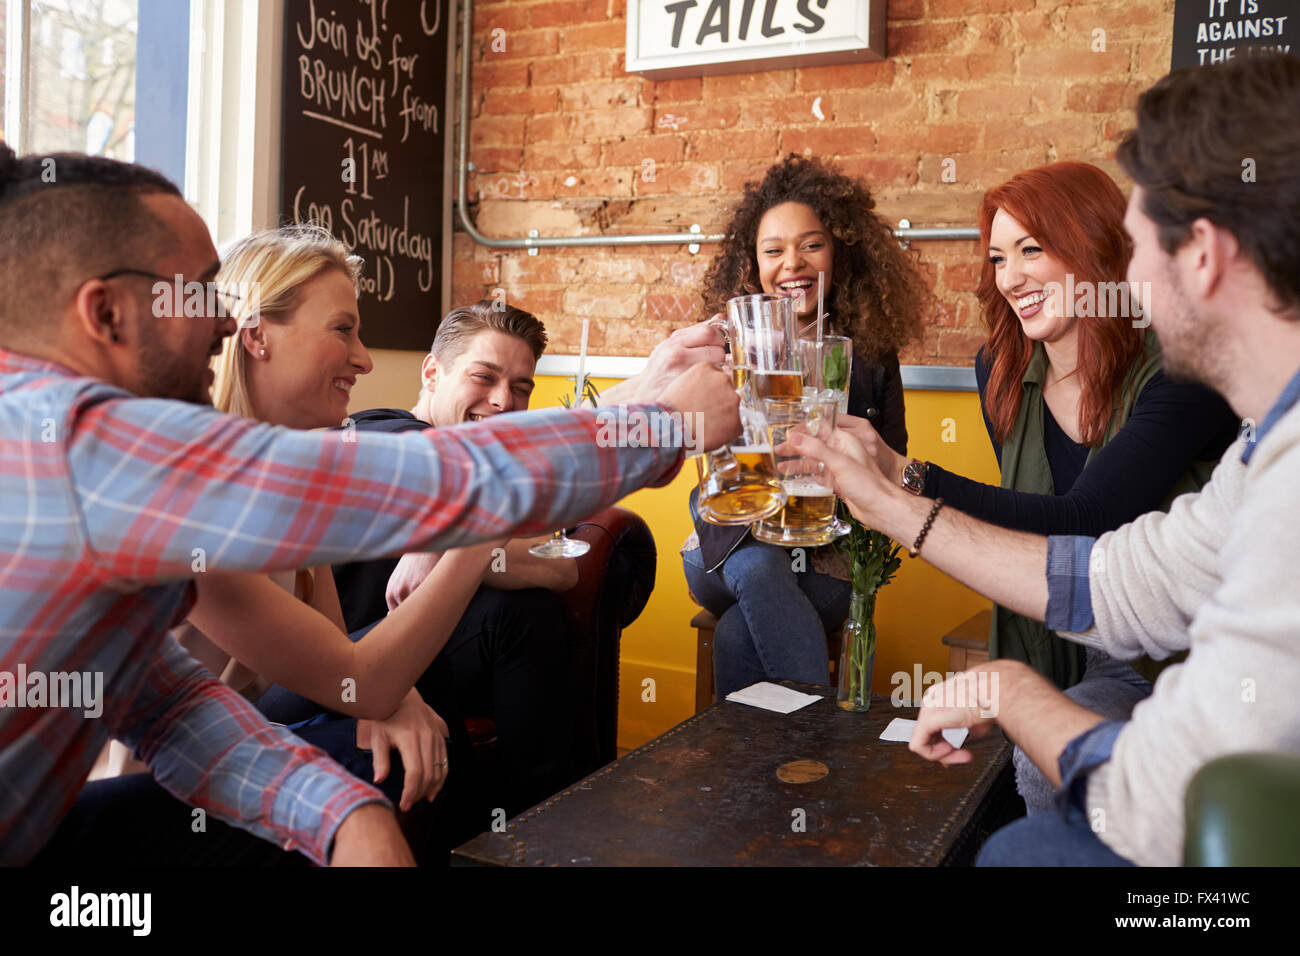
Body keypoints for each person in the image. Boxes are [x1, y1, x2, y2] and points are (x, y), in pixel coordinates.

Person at [0, 147, 738, 865]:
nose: (225, 323)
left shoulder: (79, 462)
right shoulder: (78, 443)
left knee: (358, 779)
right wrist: (659, 421)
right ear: (107, 314)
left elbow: (170, 707)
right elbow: (428, 480)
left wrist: (342, 815)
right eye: (196, 292)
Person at [793, 53, 1300, 866]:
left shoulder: (1238, 433)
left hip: (1164, 701)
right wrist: (889, 495)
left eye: (1137, 250)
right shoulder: (1263, 448)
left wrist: (1020, 695)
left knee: (1021, 851)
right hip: (1104, 659)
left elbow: (1168, 801)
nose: (1128, 281)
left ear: (1200, 255)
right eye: (1000, 257)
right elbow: (1126, 576)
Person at [841, 162, 1238, 812]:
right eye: (999, 257)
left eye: (1032, 249)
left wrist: (906, 479)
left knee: (1040, 765)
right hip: (1052, 629)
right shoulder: (999, 369)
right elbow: (1020, 524)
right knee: (965, 785)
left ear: (1095, 248)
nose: (1011, 276)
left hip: (1169, 652)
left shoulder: (1179, 366)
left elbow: (1086, 516)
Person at [681, 154, 929, 697]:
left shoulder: (869, 355)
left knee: (738, 633)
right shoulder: (730, 346)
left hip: (825, 560)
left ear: (839, 252)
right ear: (754, 261)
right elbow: (708, 468)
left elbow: (893, 468)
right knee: (759, 565)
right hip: (726, 548)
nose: (792, 263)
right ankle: (817, 761)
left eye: (812, 245)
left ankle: (748, 777)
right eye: (774, 250)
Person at [330, 299, 584, 815]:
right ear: (432, 372)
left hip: (428, 648)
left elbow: (561, 566)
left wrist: (449, 545)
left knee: (517, 610)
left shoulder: (485, 465)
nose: (501, 401)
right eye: (483, 377)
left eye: (520, 387)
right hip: (351, 655)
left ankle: (540, 819)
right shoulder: (388, 437)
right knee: (518, 614)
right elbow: (544, 558)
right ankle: (545, 817)